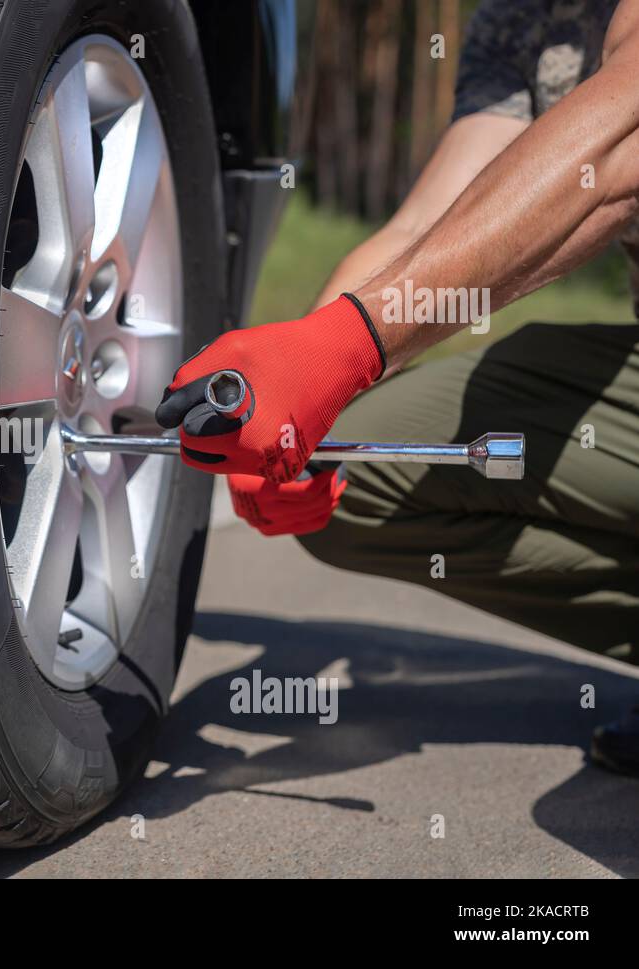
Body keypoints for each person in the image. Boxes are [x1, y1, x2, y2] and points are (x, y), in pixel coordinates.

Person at [156, 0, 639, 774]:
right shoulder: (521, 21)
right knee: (356, 480)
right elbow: (428, 231)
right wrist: (293, 390)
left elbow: (623, 146)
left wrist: (340, 347)